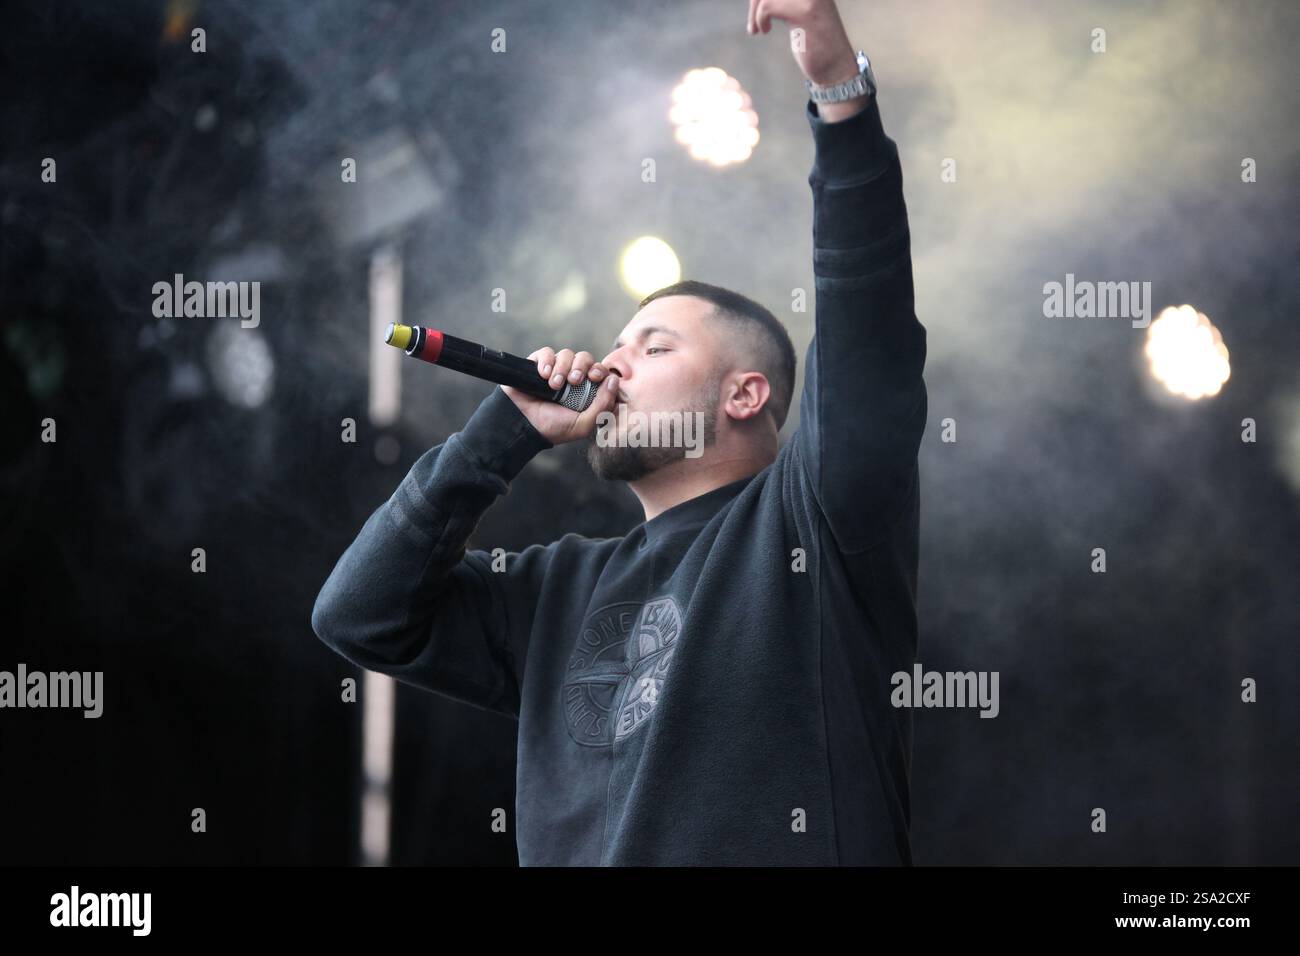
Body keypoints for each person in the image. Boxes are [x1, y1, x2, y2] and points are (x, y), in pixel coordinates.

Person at [312, 0, 927, 865]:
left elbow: (869, 328)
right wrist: (501, 437)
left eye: (655, 345)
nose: (613, 364)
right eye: (616, 344)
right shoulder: (557, 589)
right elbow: (359, 616)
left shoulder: (812, 525)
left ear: (745, 394)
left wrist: (838, 91)